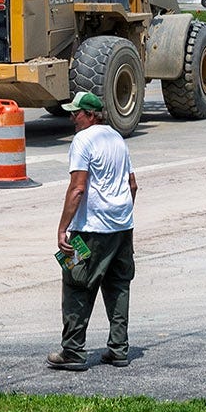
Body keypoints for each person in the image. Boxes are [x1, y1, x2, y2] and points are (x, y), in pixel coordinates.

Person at [48, 91, 138, 371]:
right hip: (122, 227)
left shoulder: (83, 140)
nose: (72, 118)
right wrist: (119, 213)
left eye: (76, 113)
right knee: (118, 285)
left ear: (90, 115)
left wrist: (63, 228)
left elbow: (78, 188)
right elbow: (132, 185)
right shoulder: (117, 138)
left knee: (75, 283)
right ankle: (118, 349)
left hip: (89, 229)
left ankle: (73, 350)